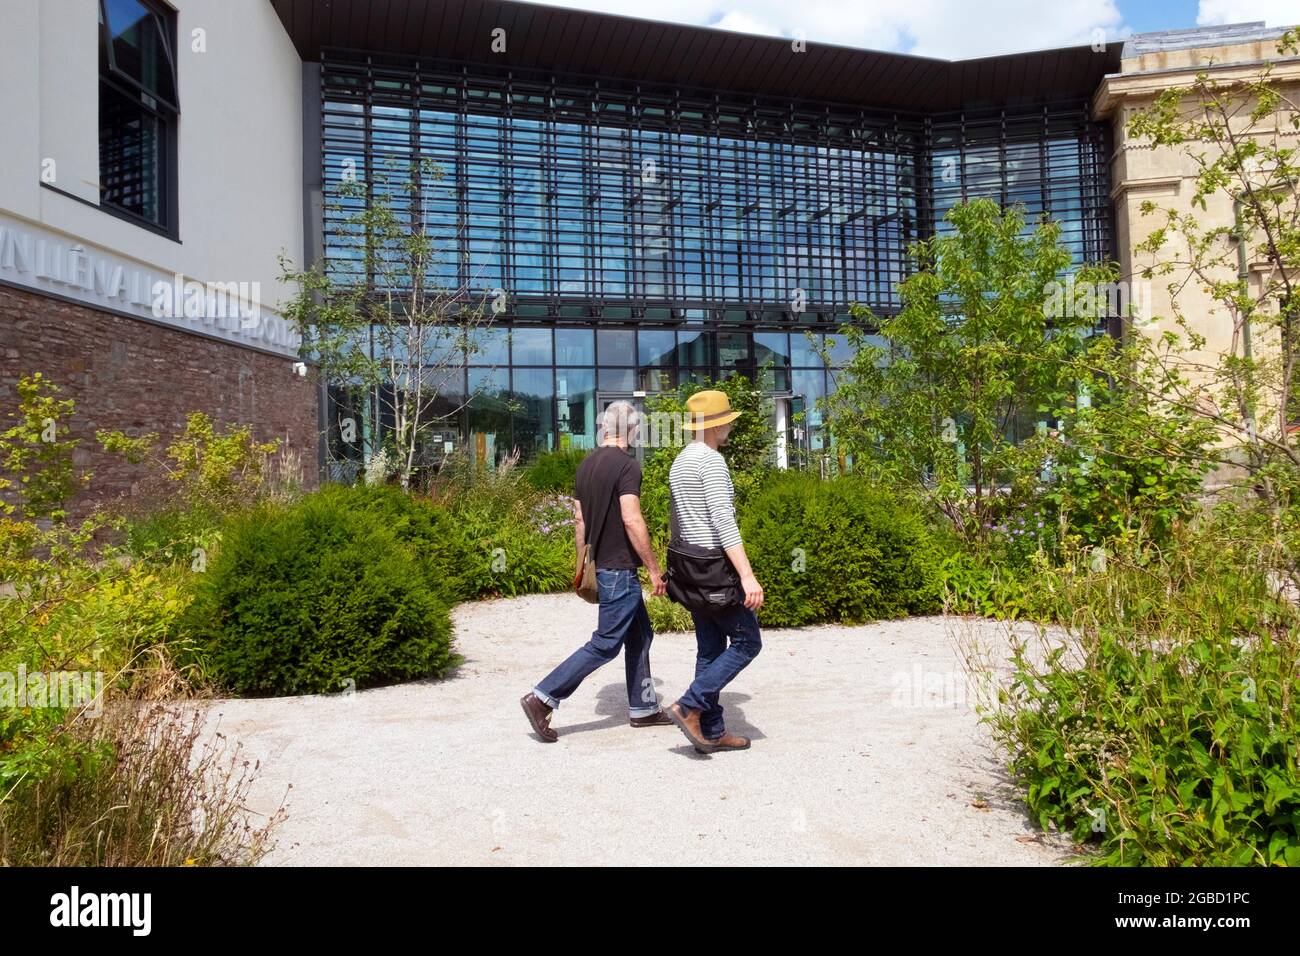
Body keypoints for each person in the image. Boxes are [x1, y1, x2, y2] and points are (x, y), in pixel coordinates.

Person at [520, 401, 670, 742]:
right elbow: (632, 519)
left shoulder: (585, 466)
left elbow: (579, 522)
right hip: (620, 570)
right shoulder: (627, 467)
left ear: (604, 428)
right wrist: (655, 569)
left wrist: (582, 565)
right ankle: (543, 697)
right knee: (604, 644)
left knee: (640, 635)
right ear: (631, 431)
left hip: (603, 566)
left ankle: (643, 707)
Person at [663, 390, 764, 754]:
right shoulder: (711, 462)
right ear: (715, 424)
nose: (731, 425)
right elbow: (723, 521)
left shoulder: (680, 461)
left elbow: (679, 519)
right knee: (748, 642)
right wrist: (748, 576)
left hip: (689, 567)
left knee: (709, 649)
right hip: (714, 570)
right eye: (727, 419)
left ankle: (712, 729)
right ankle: (690, 704)